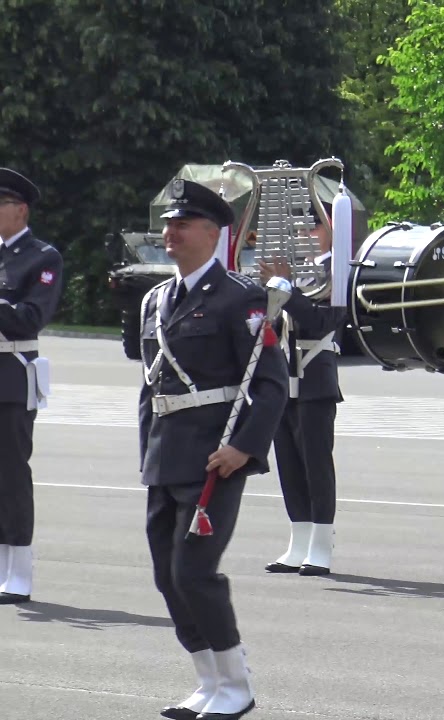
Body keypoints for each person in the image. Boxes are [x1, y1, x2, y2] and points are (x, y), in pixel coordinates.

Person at [140, 179, 288, 720]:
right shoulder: (156, 300)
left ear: (212, 232)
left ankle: (237, 685)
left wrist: (244, 450)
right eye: (168, 224)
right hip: (166, 455)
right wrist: (146, 456)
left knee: (195, 573)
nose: (169, 232)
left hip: (215, 456)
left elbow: (271, 385)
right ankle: (209, 681)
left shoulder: (240, 298)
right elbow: (150, 386)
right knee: (166, 576)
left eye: (182, 224)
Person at [261, 202, 346, 576]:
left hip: (315, 375)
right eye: (299, 230)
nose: (304, 235)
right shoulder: (292, 272)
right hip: (283, 374)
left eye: (312, 228)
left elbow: (318, 320)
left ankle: (321, 545)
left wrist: (285, 287)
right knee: (289, 464)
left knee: (316, 463)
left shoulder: (336, 272)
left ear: (330, 231)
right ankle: (298, 540)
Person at [0, 168, 62, 605]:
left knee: (11, 474)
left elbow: (29, 318)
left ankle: (18, 568)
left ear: (20, 210)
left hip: (10, 374)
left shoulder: (42, 257)